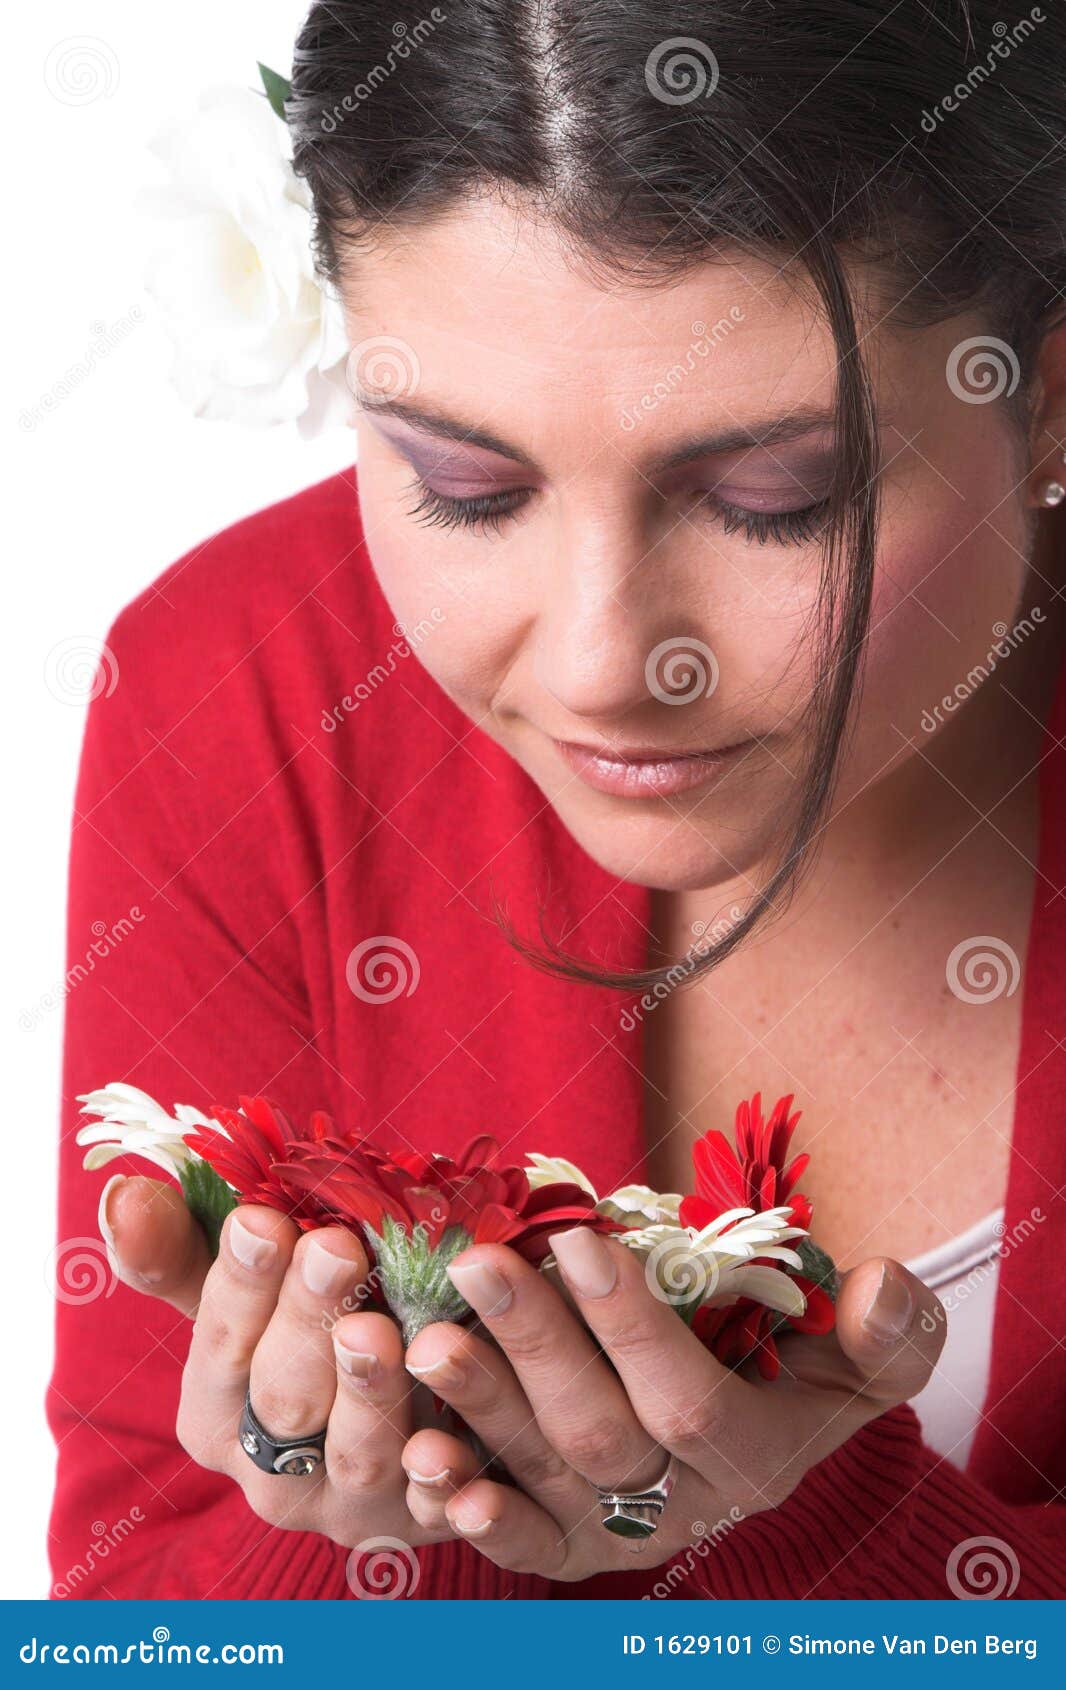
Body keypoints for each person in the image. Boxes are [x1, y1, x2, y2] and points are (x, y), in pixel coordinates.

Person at [48, 0, 1066, 1599]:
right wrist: (428, 1525)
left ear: (1047, 394)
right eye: (466, 486)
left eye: (770, 503)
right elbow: (145, 1597)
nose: (604, 663)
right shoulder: (242, 689)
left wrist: (801, 1532)